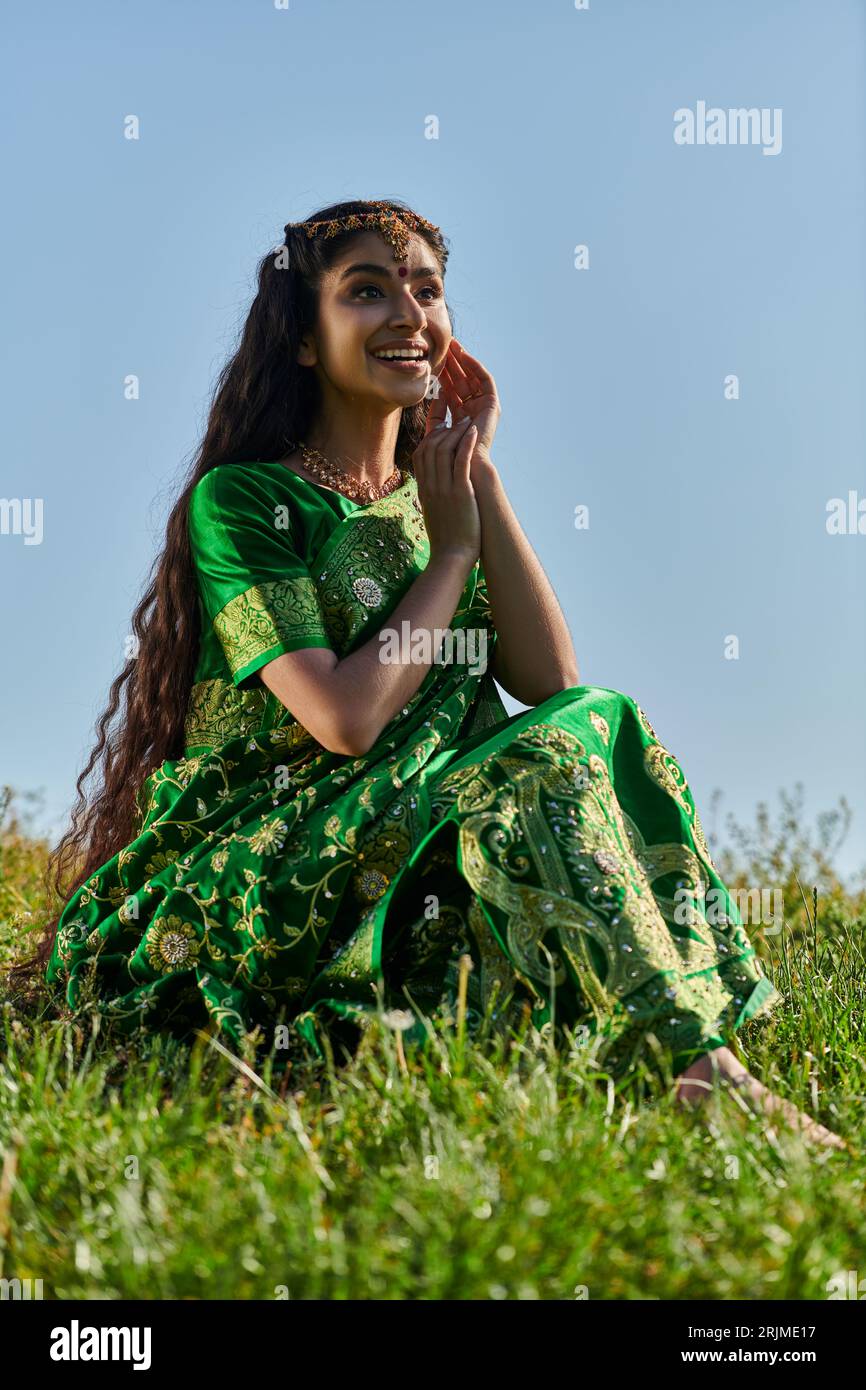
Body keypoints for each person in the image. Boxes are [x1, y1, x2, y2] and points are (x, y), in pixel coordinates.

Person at [18, 198, 843, 1150]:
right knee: (537, 761)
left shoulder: (443, 498)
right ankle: (704, 1081)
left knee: (595, 720)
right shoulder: (244, 501)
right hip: (281, 853)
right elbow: (345, 721)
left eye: (428, 290)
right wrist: (450, 559)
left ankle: (682, 1057)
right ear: (301, 338)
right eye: (367, 291)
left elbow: (549, 681)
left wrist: (478, 480)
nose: (408, 313)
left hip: (421, 835)